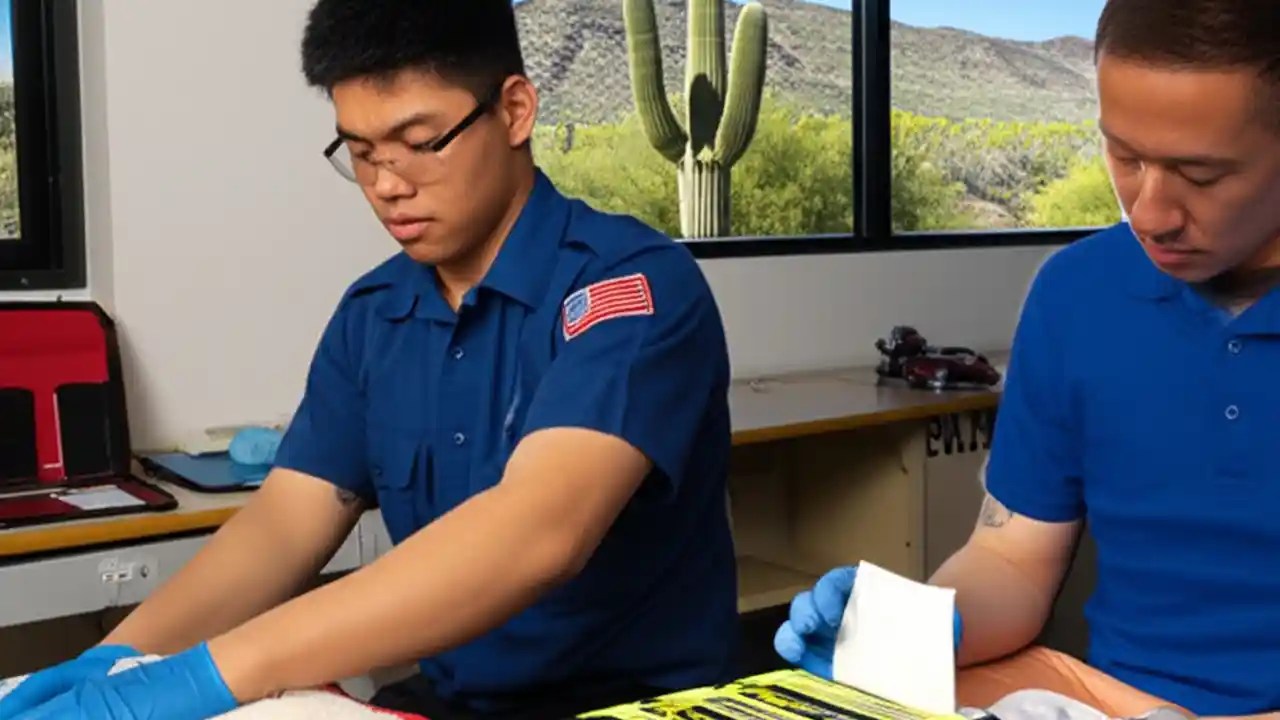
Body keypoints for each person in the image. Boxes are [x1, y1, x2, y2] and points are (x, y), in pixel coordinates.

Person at [0, 2, 739, 718]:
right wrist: (120, 661)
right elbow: (285, 526)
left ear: (514, 110)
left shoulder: (627, 287)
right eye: (360, 153)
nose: (387, 184)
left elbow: (537, 534)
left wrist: (216, 670)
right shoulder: (375, 313)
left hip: (633, 705)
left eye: (419, 142)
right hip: (451, 702)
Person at [775, 0, 1280, 718]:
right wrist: (911, 634)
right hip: (1108, 702)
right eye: (1125, 156)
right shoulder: (1078, 295)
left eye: (1200, 176)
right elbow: (1012, 559)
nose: (1150, 212)